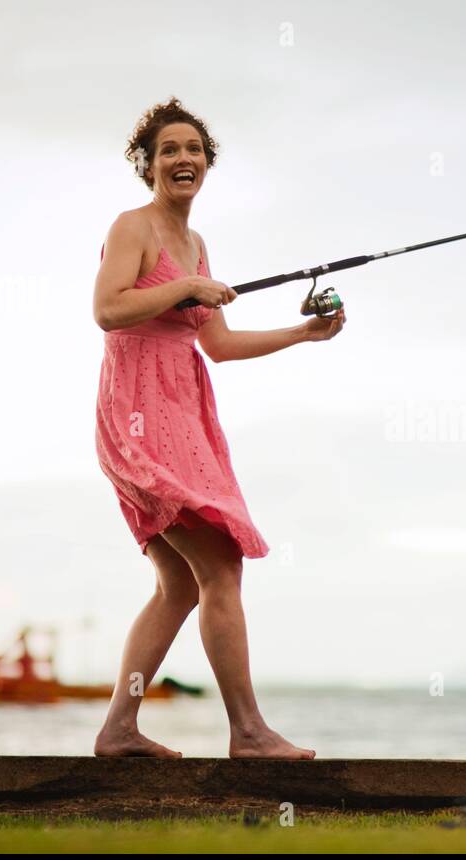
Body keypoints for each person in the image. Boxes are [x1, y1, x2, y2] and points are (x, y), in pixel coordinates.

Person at [91, 97, 345, 759]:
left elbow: (221, 345)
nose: (184, 159)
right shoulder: (133, 227)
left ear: (207, 165)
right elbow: (108, 309)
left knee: (180, 582)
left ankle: (119, 728)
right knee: (221, 566)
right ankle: (249, 731)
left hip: (189, 416)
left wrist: (304, 333)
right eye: (170, 150)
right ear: (149, 165)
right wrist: (185, 290)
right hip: (140, 415)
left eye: (194, 150)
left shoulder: (198, 246)